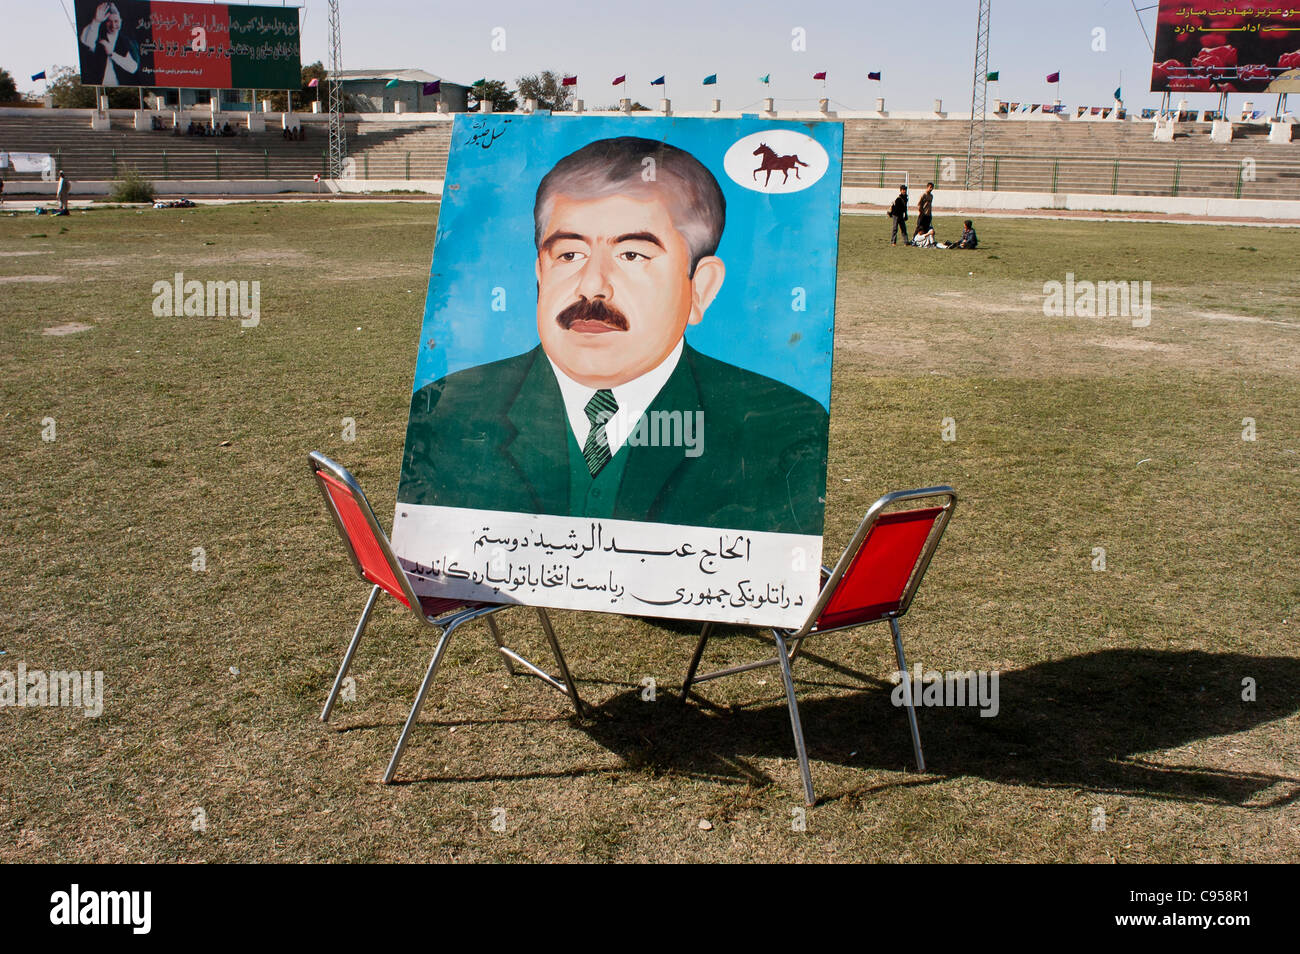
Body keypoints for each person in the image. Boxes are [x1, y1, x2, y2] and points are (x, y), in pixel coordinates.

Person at [398, 136, 829, 535]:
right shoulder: (448, 411)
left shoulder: (782, 430)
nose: (592, 285)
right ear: (539, 275)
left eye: (632, 254)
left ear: (700, 288)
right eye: (569, 254)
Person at [78, 3, 140, 86]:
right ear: (104, 22)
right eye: (109, 22)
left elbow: (133, 68)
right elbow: (87, 42)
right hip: (99, 85)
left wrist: (111, 54)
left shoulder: (127, 42)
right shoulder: (98, 36)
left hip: (122, 88)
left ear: (121, 21)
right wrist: (96, 21)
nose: (113, 25)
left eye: (116, 21)